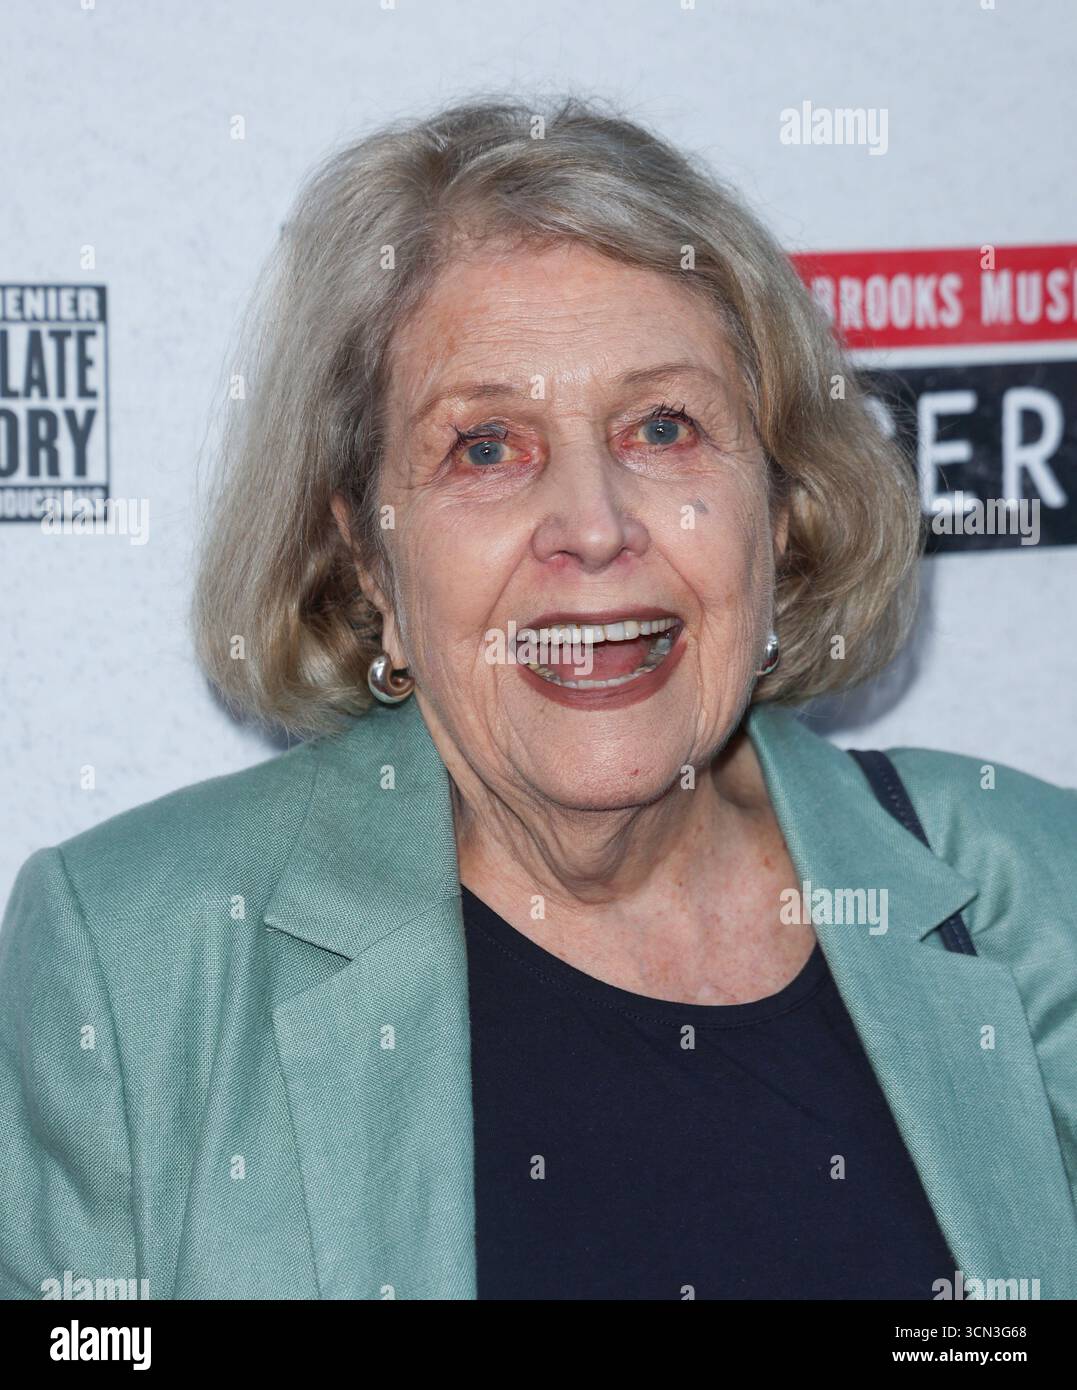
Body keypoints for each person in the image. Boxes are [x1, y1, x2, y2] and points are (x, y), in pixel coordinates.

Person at [2, 96, 1075, 1301]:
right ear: (370, 562)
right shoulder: (134, 961)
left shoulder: (1044, 895)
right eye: (486, 447)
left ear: (780, 510)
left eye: (663, 427)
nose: (594, 526)